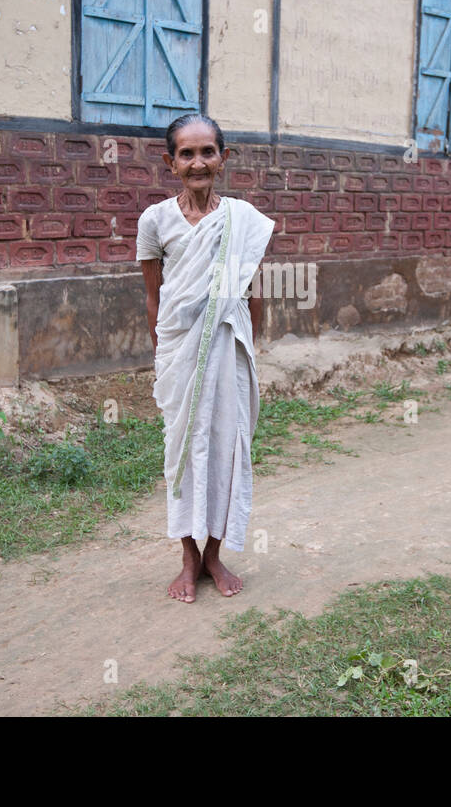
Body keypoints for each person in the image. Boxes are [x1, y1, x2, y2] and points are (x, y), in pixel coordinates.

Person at [136, 114, 276, 603]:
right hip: (180, 349)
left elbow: (253, 289)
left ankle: (214, 553)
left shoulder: (242, 219)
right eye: (186, 154)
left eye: (207, 152)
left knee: (227, 444)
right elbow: (155, 298)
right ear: (170, 162)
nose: (198, 162)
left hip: (228, 344)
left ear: (223, 158)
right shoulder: (155, 221)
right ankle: (187, 557)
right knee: (181, 449)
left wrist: (247, 347)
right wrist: (165, 353)